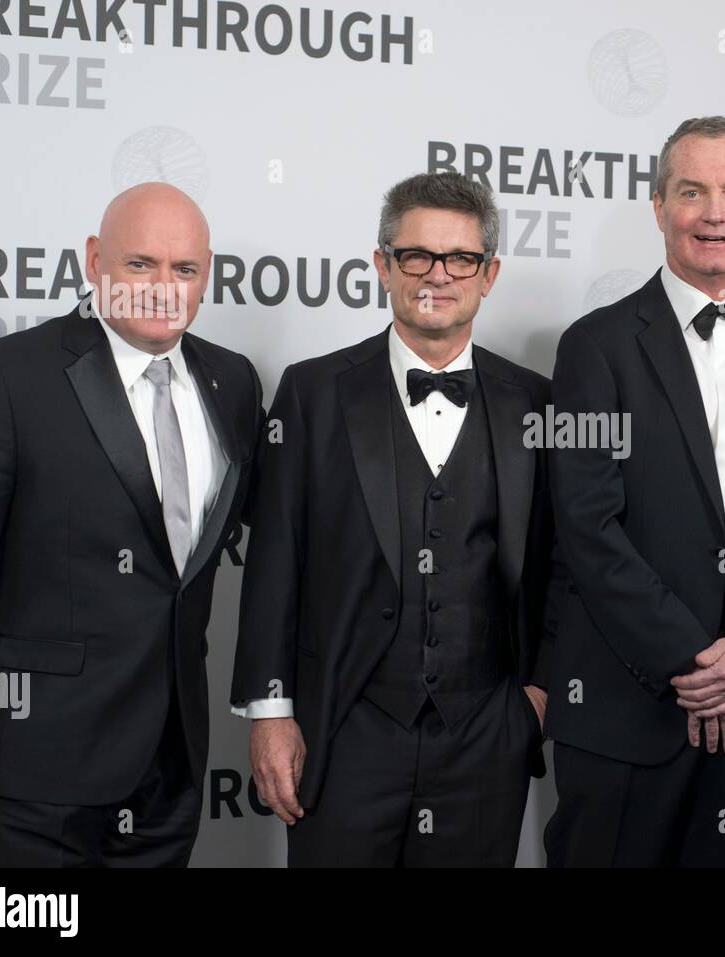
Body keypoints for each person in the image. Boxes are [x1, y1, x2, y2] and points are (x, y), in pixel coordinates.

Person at [0, 182, 263, 866]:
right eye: (140, 264)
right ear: (93, 260)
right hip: (29, 772)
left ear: (208, 276)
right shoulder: (5, 379)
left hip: (168, 770)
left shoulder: (233, 384)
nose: (163, 287)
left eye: (185, 269)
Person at [232, 172, 559, 867]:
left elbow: (563, 567)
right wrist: (269, 711)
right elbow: (274, 563)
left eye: (460, 259)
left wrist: (535, 699)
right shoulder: (312, 391)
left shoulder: (537, 402)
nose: (436, 275)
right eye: (416, 255)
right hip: (343, 730)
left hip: (486, 734)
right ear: (383, 264)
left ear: (488, 273)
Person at [543, 116, 725, 867]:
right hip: (622, 712)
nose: (715, 212)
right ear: (657, 205)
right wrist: (703, 665)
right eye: (692, 191)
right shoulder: (594, 346)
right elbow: (588, 529)